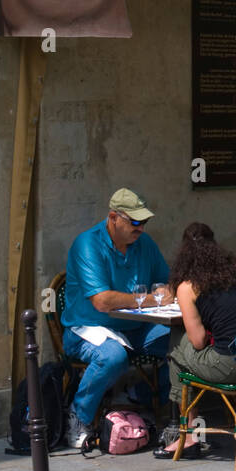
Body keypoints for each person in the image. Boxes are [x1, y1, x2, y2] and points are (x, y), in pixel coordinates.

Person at [61, 188, 171, 448]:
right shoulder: (87, 244)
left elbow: (166, 281)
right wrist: (150, 299)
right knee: (112, 357)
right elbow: (102, 301)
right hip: (89, 328)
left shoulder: (145, 244)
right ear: (113, 218)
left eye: (144, 222)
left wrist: (165, 290)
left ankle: (146, 399)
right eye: (135, 222)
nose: (141, 228)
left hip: (136, 327)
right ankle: (79, 417)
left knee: (181, 340)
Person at [154, 223, 236, 459]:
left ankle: (187, 435)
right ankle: (191, 433)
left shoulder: (188, 287)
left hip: (230, 366)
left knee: (177, 346)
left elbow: (198, 342)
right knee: (183, 349)